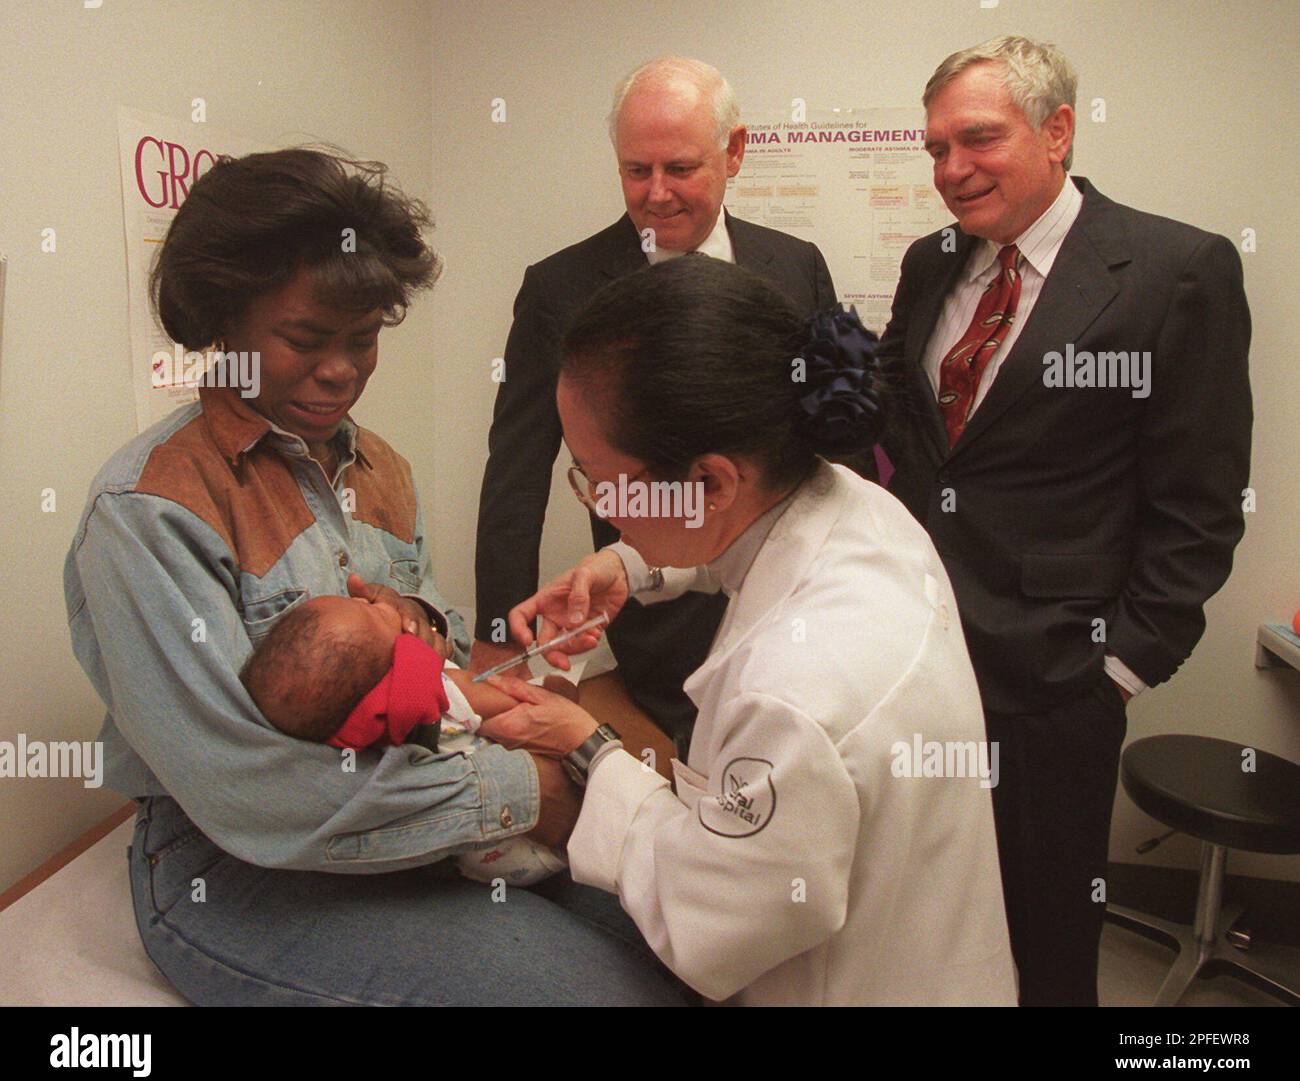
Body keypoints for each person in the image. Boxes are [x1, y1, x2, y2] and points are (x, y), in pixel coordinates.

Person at [64, 148, 690, 1006]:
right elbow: (243, 790)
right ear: (224, 325)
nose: (341, 371)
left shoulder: (380, 469)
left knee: (683, 941)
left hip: (407, 804)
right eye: (304, 340)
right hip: (238, 857)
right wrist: (523, 793)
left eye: (364, 342)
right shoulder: (148, 510)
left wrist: (514, 686)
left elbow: (429, 671)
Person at [476, 256, 1016, 1005]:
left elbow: (708, 927)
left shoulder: (795, 695)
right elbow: (743, 546)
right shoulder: (857, 508)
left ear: (709, 481)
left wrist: (589, 749)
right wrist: (627, 566)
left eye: (598, 479)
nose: (597, 502)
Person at [878, 36, 1252, 1005]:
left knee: (1043, 942)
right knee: (921, 919)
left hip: (1052, 685)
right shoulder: (932, 265)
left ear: (1056, 132)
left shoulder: (1174, 272)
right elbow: (904, 435)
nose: (951, 171)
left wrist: (1117, 672)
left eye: (976, 140)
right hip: (914, 660)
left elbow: (1200, 507)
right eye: (934, 149)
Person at [473, 56, 857, 754]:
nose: (655, 194)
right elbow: (517, 473)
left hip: (792, 605)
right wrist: (495, 639)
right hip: (655, 623)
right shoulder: (561, 288)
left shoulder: (795, 265)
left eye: (679, 169)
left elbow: (832, 442)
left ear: (734, 152)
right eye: (634, 171)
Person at [239, 593, 576, 885]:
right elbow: (522, 702)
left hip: (469, 861)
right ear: (396, 668)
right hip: (528, 838)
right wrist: (559, 690)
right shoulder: (432, 686)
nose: (361, 599)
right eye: (372, 613)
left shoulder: (354, 729)